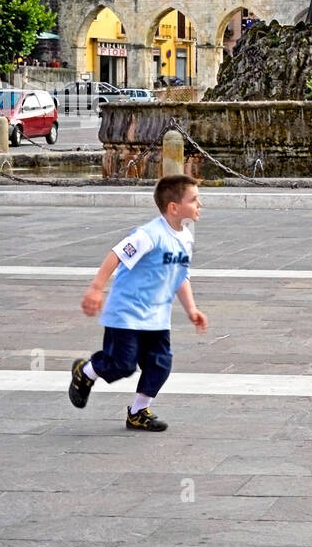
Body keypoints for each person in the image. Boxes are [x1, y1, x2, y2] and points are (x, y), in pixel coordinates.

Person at [68, 175, 209, 431]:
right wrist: (96, 289)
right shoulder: (149, 234)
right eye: (194, 199)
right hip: (126, 313)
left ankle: (138, 411)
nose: (200, 204)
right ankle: (86, 371)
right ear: (173, 207)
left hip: (156, 318)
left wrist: (192, 309)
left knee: (161, 364)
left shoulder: (186, 239)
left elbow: (180, 277)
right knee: (123, 364)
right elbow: (117, 254)